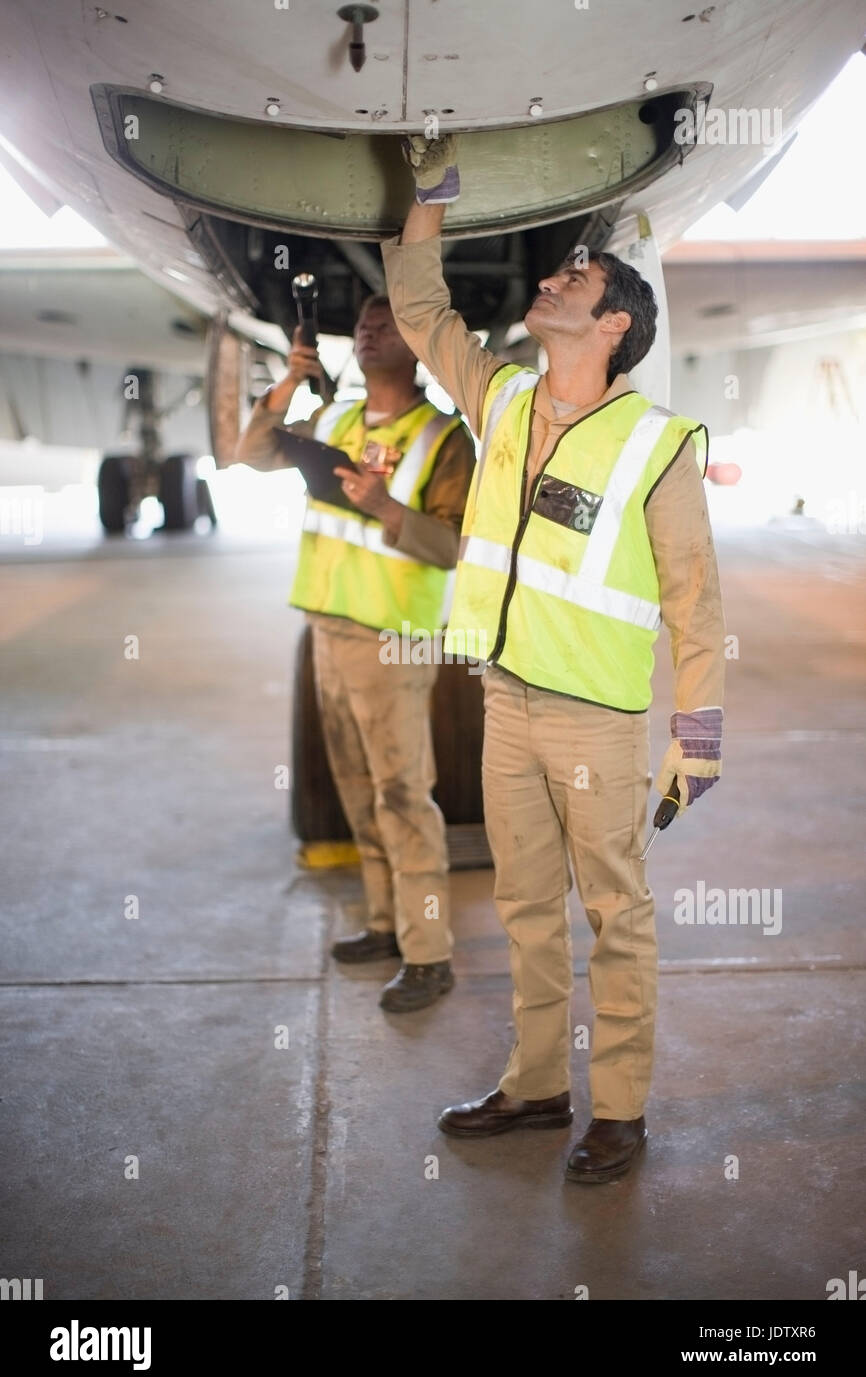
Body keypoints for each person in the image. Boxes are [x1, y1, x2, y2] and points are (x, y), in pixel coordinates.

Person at [381, 136, 726, 1179]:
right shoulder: (503, 401)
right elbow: (418, 312)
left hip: (596, 722)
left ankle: (616, 1108)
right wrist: (430, 196)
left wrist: (695, 742)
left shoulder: (654, 445)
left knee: (614, 917)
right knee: (526, 908)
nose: (548, 279)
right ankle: (536, 1085)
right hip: (506, 702)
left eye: (572, 277)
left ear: (613, 321)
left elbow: (696, 610)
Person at [235, 295, 477, 1013]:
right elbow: (251, 453)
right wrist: (287, 383)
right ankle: (383, 923)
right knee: (355, 787)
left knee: (404, 794)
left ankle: (429, 954)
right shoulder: (335, 418)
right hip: (327, 627)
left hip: (391, 639)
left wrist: (386, 510)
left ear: (421, 345)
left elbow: (460, 546)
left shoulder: (443, 438)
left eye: (388, 322)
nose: (369, 329)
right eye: (365, 323)